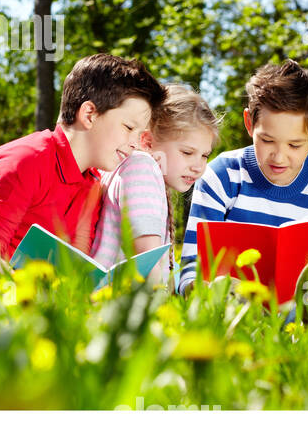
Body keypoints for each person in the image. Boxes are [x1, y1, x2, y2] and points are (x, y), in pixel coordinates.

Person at [178, 59, 308, 304]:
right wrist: (204, 289)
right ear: (249, 123)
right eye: (267, 140)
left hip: (305, 313)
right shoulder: (221, 175)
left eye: (294, 145)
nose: (278, 156)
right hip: (234, 309)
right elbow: (192, 268)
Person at [0, 54, 164, 270]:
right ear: (89, 115)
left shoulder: (92, 185)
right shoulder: (28, 160)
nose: (135, 143)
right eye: (129, 128)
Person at [93, 84, 219, 286]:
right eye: (187, 153)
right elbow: (147, 259)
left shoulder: (131, 168)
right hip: (117, 304)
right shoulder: (143, 169)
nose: (198, 166)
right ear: (148, 142)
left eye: (205, 155)